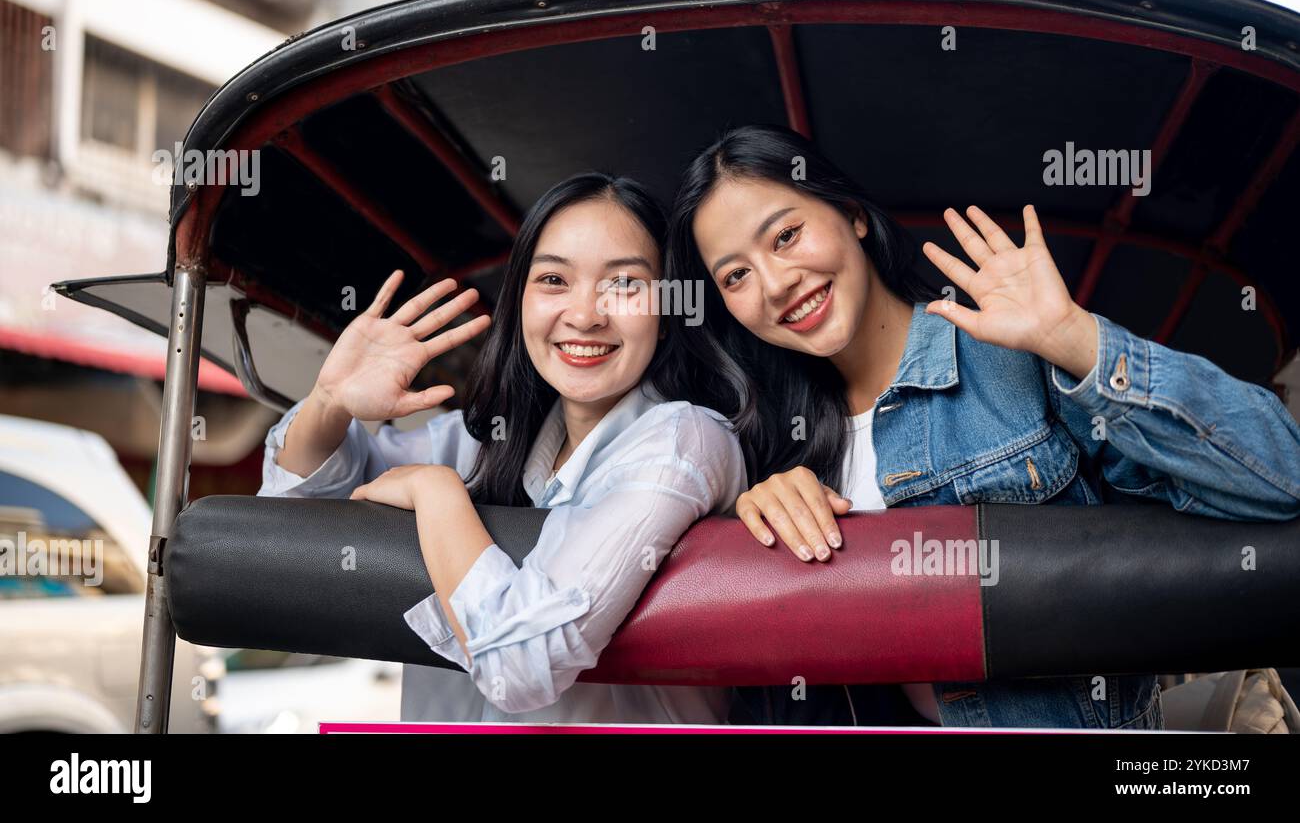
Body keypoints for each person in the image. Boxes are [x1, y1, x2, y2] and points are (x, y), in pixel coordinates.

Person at [665, 123, 1300, 730]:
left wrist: (1076, 340)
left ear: (852, 215)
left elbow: (1281, 478)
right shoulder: (765, 444)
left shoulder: (1012, 361)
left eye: (786, 236)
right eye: (736, 276)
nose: (776, 283)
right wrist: (751, 523)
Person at [258, 173, 748, 723]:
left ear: (665, 314)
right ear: (520, 302)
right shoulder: (486, 439)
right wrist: (330, 401)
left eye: (624, 284)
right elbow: (294, 523)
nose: (586, 315)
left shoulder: (684, 441)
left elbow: (521, 666)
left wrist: (436, 493)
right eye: (554, 280)